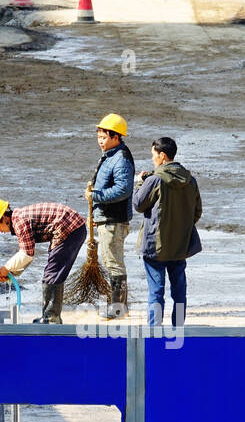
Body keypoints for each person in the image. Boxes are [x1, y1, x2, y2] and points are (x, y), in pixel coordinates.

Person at [132, 136, 202, 327]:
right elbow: (197, 212)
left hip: (155, 245)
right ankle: (178, 328)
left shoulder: (155, 180)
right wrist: (181, 227)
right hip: (180, 246)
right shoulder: (190, 180)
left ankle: (154, 332)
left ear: (162, 156)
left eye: (153, 155)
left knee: (156, 290)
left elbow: (138, 204)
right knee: (179, 290)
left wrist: (139, 182)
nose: (153, 159)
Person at [0, 198, 87, 324]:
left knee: (52, 274)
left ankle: (51, 319)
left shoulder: (19, 221)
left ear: (4, 218)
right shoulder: (18, 219)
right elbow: (27, 254)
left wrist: (5, 269)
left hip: (70, 229)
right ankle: (50, 317)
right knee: (52, 273)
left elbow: (26, 254)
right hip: (72, 228)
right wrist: (10, 274)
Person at [85, 113, 135, 319]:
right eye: (98, 138)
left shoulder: (121, 158)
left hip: (113, 220)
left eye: (103, 138)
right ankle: (120, 307)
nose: (100, 142)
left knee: (113, 263)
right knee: (112, 261)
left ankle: (117, 309)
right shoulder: (112, 155)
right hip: (107, 218)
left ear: (116, 137)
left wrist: (96, 195)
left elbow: (124, 189)